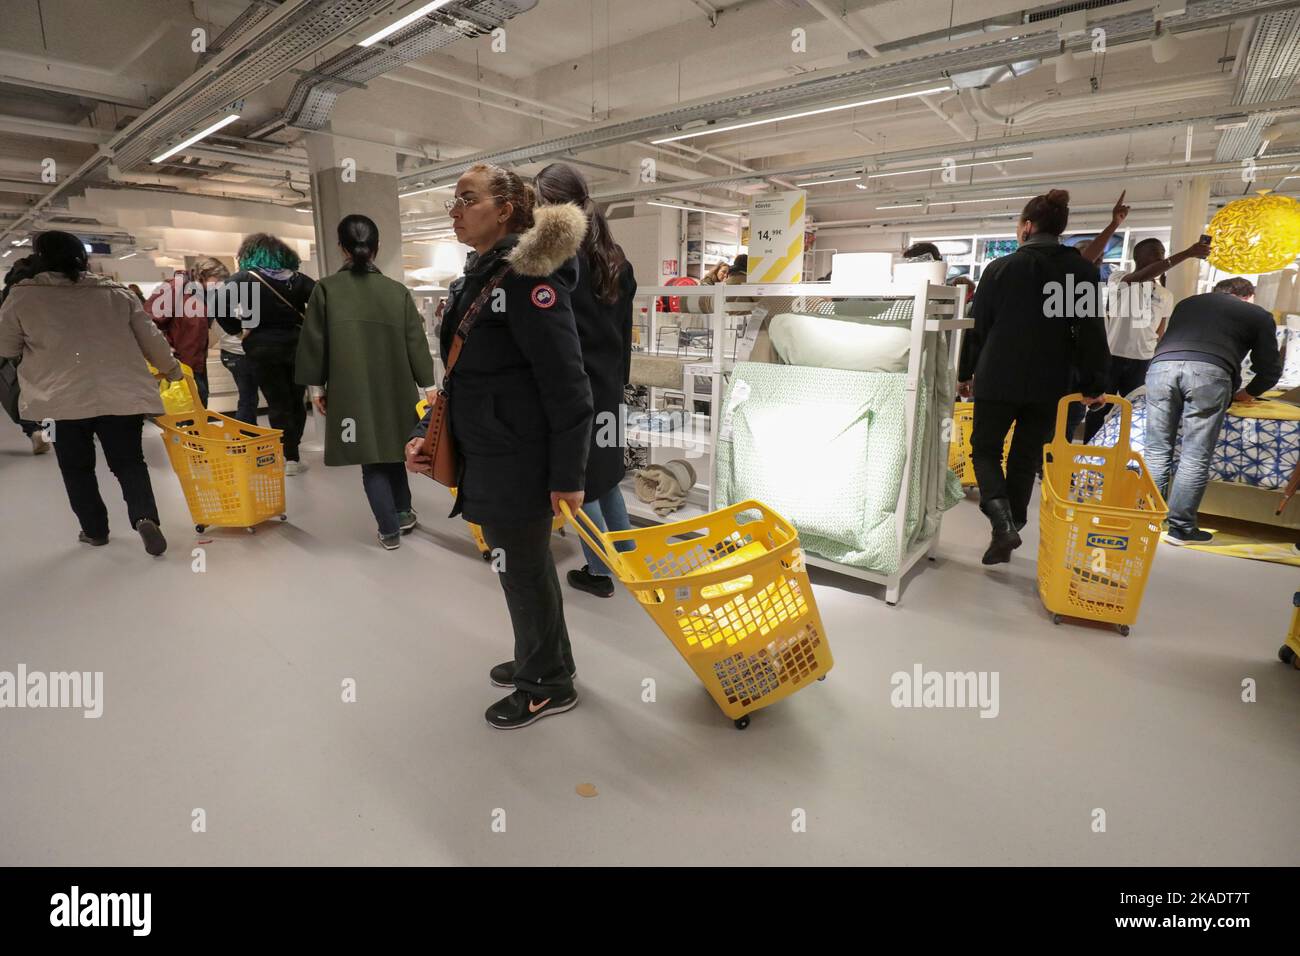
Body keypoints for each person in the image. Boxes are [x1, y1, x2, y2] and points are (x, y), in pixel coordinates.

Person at [404, 162, 591, 729]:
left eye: (467, 199)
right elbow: (466, 375)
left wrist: (568, 476)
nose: (456, 211)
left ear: (506, 209)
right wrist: (428, 432)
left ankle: (546, 686)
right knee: (522, 570)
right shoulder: (484, 274)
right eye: (453, 202)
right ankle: (547, 660)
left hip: (521, 459)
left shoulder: (527, 279)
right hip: (493, 449)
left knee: (524, 571)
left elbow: (569, 386)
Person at [0, 231, 182, 555]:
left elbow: (6, 346)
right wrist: (171, 369)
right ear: (82, 258)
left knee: (76, 468)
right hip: (120, 395)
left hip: (58, 401)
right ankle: (144, 518)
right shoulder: (115, 293)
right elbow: (150, 337)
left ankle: (95, 530)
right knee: (129, 463)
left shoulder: (22, 297)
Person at [958, 190, 1110, 565]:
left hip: (999, 373)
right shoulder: (1081, 272)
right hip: (1051, 379)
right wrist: (1094, 384)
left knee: (987, 449)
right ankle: (1011, 526)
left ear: (1027, 226)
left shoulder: (1001, 269)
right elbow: (1090, 329)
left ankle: (1002, 522)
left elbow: (979, 328)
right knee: (1026, 457)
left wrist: (964, 373)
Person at [296, 215, 437, 550]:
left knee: (371, 457)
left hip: (350, 390)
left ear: (342, 248)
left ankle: (389, 530)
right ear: (377, 248)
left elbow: (315, 342)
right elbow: (415, 342)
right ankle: (403, 513)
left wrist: (317, 388)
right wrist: (428, 386)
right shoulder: (397, 292)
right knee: (396, 449)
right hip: (397, 389)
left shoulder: (326, 289)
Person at [534, 162, 638, 598]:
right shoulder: (617, 261)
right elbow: (625, 332)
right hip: (610, 385)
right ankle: (630, 561)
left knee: (581, 483)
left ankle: (598, 571)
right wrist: (621, 384)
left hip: (576, 389)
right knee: (607, 476)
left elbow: (555, 342)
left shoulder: (557, 262)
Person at [1145, 276, 1282, 545]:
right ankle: (1180, 528)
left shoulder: (1187, 304)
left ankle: (1148, 521)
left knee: (1157, 450)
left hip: (1160, 368)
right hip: (1209, 373)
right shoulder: (1257, 314)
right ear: (1248, 296)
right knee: (1195, 455)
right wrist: (1248, 393)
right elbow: (1270, 368)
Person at [1075, 193, 1211, 442]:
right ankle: (1089, 451)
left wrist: (1154, 354)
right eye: (1155, 254)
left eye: (1162, 253)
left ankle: (1119, 453)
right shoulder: (1120, 279)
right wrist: (1186, 253)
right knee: (1099, 408)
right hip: (1112, 356)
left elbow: (1160, 328)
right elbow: (1140, 277)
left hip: (1141, 361)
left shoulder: (1165, 294)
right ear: (1141, 258)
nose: (1161, 258)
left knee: (1130, 412)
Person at [215, 234, 315, 475]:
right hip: (296, 347)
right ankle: (294, 452)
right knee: (296, 400)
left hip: (260, 348)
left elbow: (218, 305)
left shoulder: (242, 279)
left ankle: (287, 456)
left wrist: (237, 331)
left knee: (276, 401)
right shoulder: (299, 280)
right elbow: (323, 305)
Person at [146, 257, 228, 406]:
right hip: (180, 362)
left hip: (195, 361)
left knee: (199, 404)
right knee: (189, 407)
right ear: (203, 275)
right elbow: (147, 322)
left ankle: (195, 430)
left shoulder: (201, 293)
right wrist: (165, 348)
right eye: (217, 280)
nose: (219, 285)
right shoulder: (175, 288)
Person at [0, 255, 52, 454]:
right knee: (51, 396)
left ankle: (32, 430)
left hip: (18, 352)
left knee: (17, 395)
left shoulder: (13, 292)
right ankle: (50, 435)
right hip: (50, 351)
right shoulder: (49, 287)